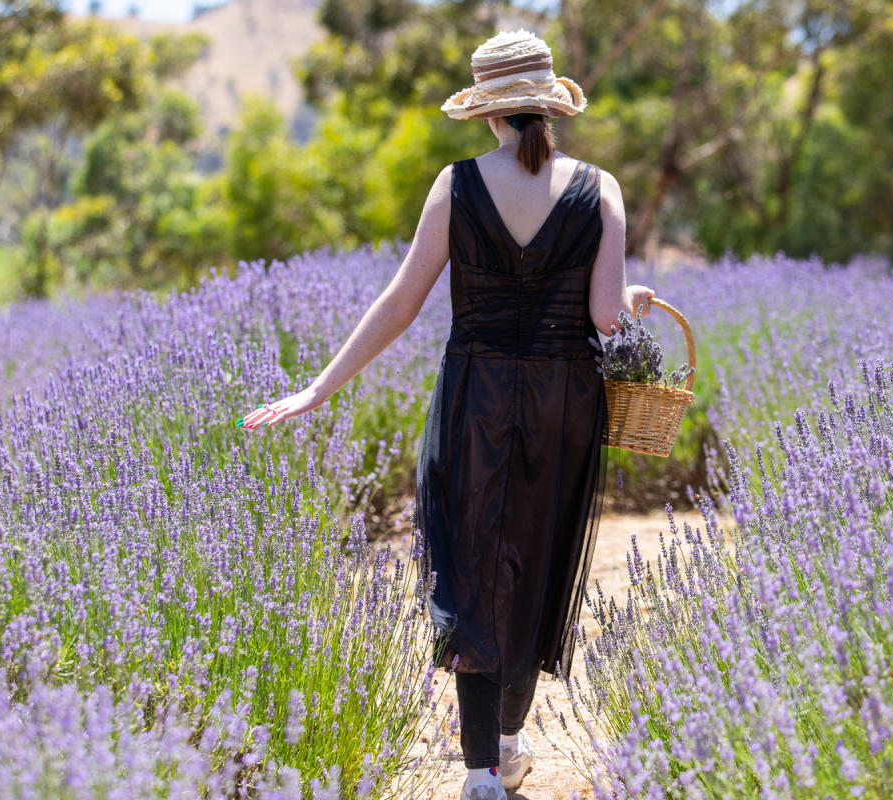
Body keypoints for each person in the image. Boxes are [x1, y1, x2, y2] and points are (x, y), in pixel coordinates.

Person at [240, 28, 654, 800]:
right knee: (537, 562)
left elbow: (401, 302)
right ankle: (509, 741)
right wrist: (630, 301)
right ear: (548, 107)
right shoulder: (601, 189)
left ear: (488, 113)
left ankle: (481, 773)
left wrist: (319, 389)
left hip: (475, 398)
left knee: (470, 571)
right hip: (564, 401)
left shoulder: (457, 184)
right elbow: (607, 318)